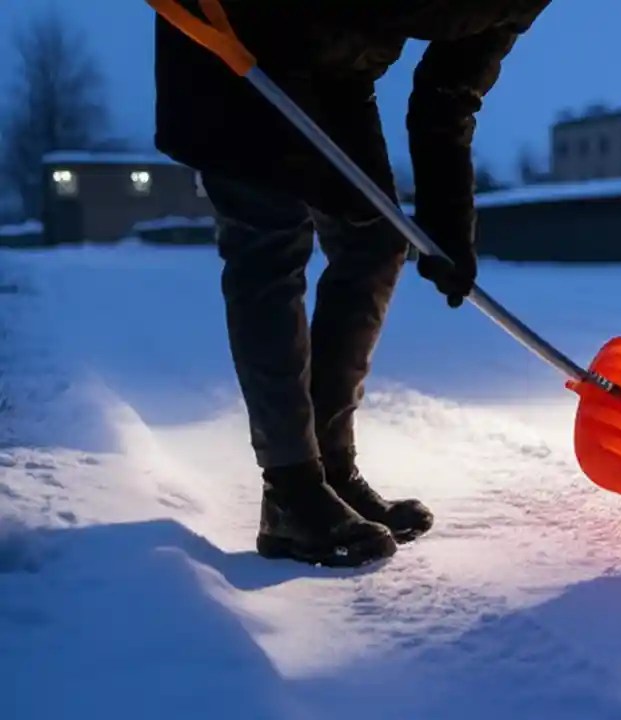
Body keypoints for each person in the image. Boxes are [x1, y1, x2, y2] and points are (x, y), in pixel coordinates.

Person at [153, 0, 551, 567]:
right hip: (237, 37)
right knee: (270, 242)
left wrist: (447, 224)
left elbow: (450, 91)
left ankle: (331, 468)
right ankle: (291, 490)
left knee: (376, 239)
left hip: (337, 72)